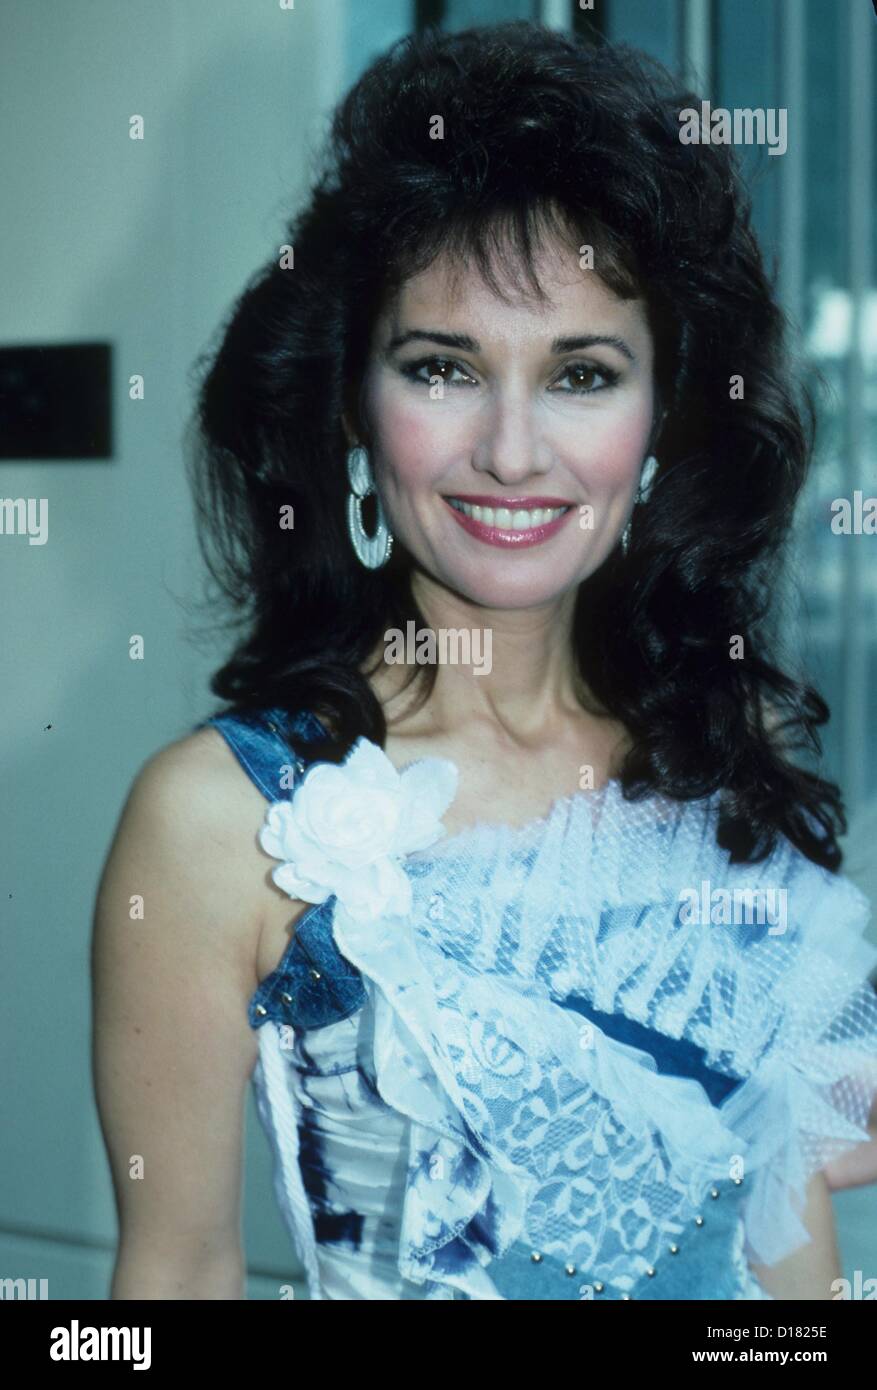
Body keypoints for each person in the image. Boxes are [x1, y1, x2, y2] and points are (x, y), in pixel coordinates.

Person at [92, 20, 877, 1301]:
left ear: (660, 422)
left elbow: (783, 1232)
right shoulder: (218, 819)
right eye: (443, 367)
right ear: (352, 405)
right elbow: (171, 1278)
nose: (512, 453)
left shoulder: (723, 749)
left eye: (581, 374)